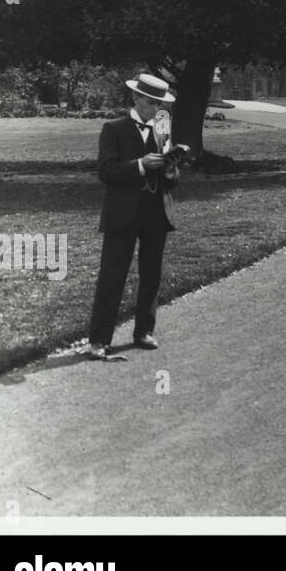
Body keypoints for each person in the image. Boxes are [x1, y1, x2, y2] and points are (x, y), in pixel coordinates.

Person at [86, 73, 180, 358]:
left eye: (160, 104)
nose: (155, 109)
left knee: (151, 274)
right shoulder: (113, 128)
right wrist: (140, 165)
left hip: (155, 212)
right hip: (122, 213)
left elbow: (173, 177)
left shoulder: (163, 129)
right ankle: (100, 339)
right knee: (112, 274)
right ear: (136, 98)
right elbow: (106, 171)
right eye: (151, 103)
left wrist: (169, 169)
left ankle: (144, 331)